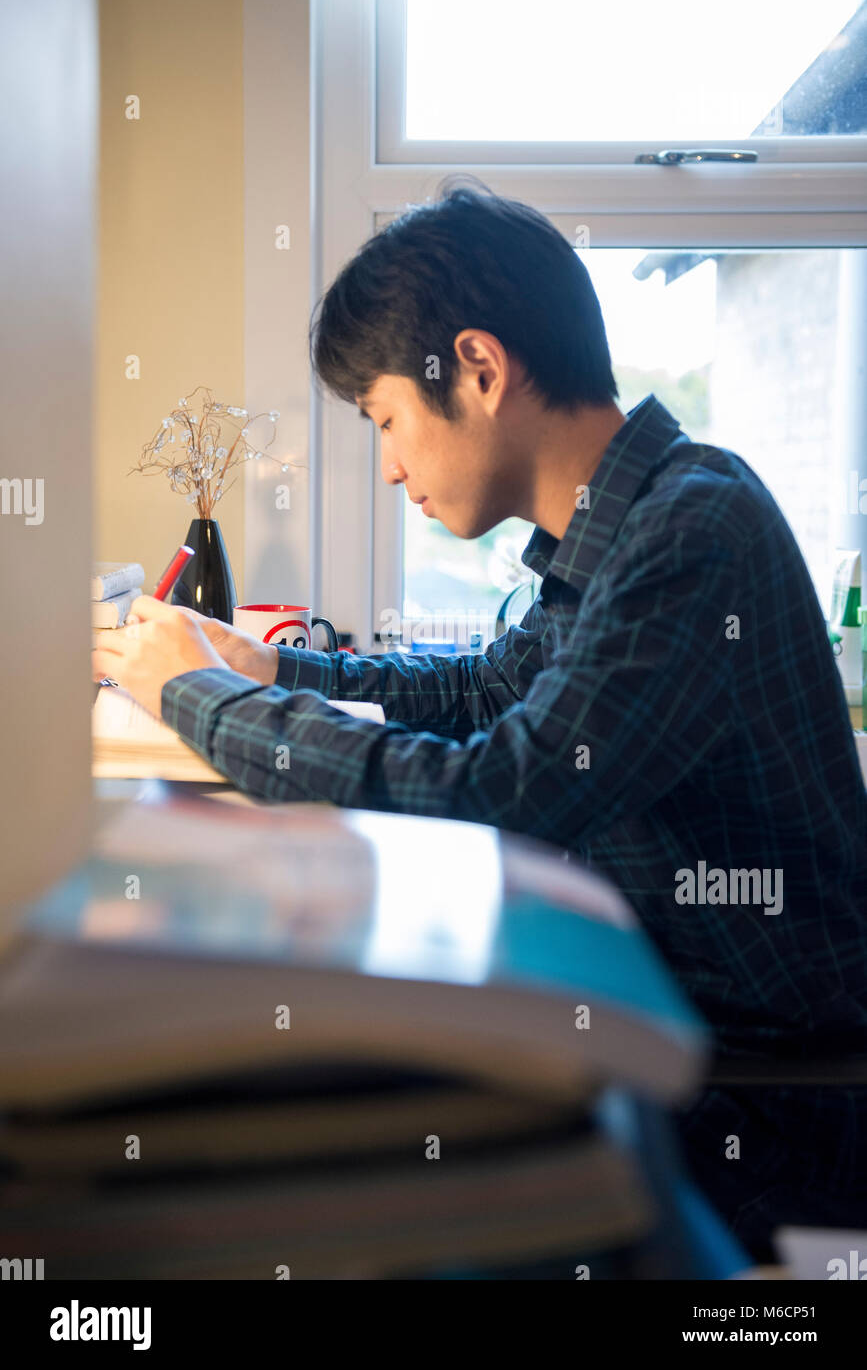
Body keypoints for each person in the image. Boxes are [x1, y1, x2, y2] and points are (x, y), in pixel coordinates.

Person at [94, 183, 867, 1264]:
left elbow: (502, 786)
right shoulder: (623, 524)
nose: (391, 464)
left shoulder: (695, 534)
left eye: (386, 420)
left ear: (481, 369)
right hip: (669, 1040)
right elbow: (482, 691)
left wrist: (201, 696)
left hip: (751, 1107)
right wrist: (264, 661)